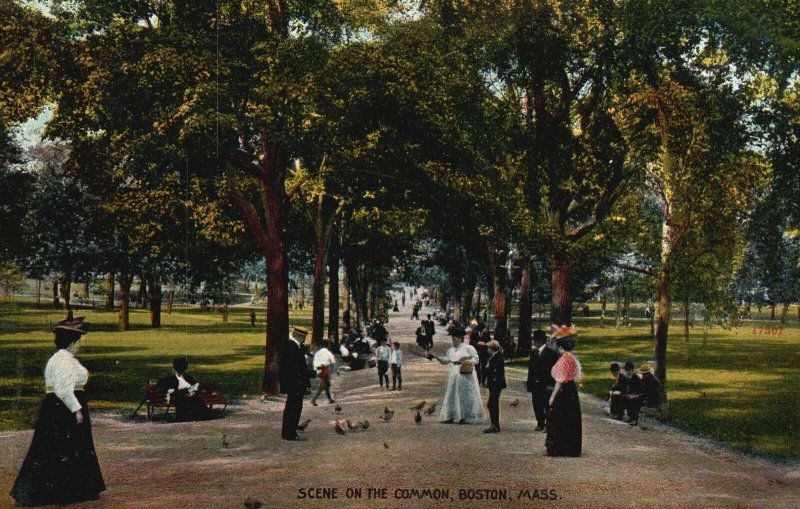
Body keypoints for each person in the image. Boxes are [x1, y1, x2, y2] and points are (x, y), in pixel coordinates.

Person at [11, 317, 106, 506]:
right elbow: (63, 389)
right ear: (72, 341)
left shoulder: (63, 358)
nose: (79, 345)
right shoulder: (64, 360)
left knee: (59, 447)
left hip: (57, 407)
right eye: (78, 341)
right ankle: (61, 491)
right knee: (63, 447)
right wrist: (76, 410)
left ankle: (68, 489)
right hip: (63, 408)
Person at [428, 324, 485, 425]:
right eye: (452, 339)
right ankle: (451, 415)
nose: (453, 340)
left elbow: (476, 359)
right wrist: (436, 357)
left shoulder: (468, 348)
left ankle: (463, 416)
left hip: (465, 373)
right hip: (454, 372)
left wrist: (467, 361)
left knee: (464, 394)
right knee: (452, 393)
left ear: (460, 338)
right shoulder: (451, 350)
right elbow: (446, 360)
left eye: (455, 338)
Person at [545, 325, 582, 457]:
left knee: (559, 418)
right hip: (571, 390)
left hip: (563, 391)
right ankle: (570, 446)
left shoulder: (563, 359)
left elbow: (559, 381)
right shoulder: (572, 357)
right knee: (570, 418)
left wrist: (552, 397)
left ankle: (558, 446)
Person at [279, 326, 311, 441]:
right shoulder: (293, 348)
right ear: (299, 336)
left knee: (291, 407)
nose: (305, 340)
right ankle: (290, 433)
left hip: (292, 383)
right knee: (294, 408)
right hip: (295, 383)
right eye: (304, 337)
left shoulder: (292, 346)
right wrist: (311, 373)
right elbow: (296, 369)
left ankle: (288, 431)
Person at [157, 357, 212, 422]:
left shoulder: (188, 377)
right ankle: (189, 416)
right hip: (176, 397)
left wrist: (194, 389)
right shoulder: (169, 378)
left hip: (189, 396)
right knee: (184, 397)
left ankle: (202, 415)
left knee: (194, 397)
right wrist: (170, 391)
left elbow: (195, 385)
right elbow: (162, 388)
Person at [526, 329, 560, 431]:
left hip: (545, 384)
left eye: (534, 340)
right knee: (536, 404)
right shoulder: (534, 353)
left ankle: (548, 424)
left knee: (546, 404)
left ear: (539, 341)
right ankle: (540, 422)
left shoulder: (552, 354)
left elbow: (554, 371)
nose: (533, 342)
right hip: (535, 383)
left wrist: (551, 384)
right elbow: (531, 369)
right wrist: (529, 383)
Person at [483, 340, 506, 433]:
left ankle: (495, 424)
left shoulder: (498, 358)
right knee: (492, 403)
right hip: (494, 383)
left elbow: (496, 371)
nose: (487, 349)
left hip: (496, 384)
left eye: (488, 348)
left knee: (492, 403)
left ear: (492, 349)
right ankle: (494, 424)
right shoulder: (493, 357)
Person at [311, 340, 336, 406]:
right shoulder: (328, 352)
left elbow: (314, 363)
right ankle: (314, 399)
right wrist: (334, 369)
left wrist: (316, 370)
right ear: (327, 345)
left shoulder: (317, 353)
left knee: (326, 385)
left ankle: (330, 399)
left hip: (318, 369)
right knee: (323, 385)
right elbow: (333, 361)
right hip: (325, 370)